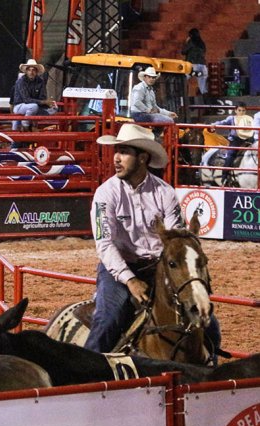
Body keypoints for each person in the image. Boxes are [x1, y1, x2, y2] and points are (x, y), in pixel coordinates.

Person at [84, 123, 220, 355]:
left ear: (143, 158)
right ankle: (85, 374)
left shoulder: (164, 192)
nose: (116, 158)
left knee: (210, 325)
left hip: (159, 268)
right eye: (117, 151)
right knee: (108, 319)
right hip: (119, 269)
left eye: (124, 152)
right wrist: (130, 280)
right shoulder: (105, 194)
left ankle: (210, 368)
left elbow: (175, 239)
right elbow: (105, 244)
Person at [209, 101, 256, 180]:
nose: (241, 112)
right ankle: (224, 176)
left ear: (246, 111)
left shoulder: (248, 119)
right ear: (236, 111)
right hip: (235, 140)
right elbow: (223, 123)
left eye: (243, 110)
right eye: (239, 110)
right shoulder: (232, 118)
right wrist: (214, 124)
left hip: (248, 140)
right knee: (231, 155)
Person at [11, 59, 57, 132]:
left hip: (33, 106)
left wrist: (49, 104)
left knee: (54, 107)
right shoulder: (21, 82)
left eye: (33, 70)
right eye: (29, 70)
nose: (31, 72)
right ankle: (26, 124)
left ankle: (29, 124)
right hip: (20, 106)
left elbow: (42, 97)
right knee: (34, 107)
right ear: (26, 71)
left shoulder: (40, 82)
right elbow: (26, 99)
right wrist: (44, 102)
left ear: (36, 72)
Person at [181, 28, 207, 96]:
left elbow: (183, 51)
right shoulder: (202, 43)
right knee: (203, 87)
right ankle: (205, 100)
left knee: (182, 80)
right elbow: (204, 52)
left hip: (192, 65)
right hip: (202, 65)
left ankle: (183, 95)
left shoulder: (191, 42)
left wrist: (186, 43)